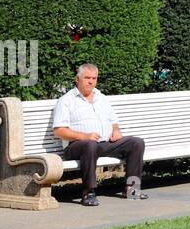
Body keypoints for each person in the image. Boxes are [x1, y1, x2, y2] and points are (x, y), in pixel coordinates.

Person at [50, 63, 148, 206]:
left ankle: (132, 189)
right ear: (77, 79)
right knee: (90, 145)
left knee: (136, 143)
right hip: (77, 146)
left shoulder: (101, 97)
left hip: (104, 143)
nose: (91, 81)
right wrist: (85, 136)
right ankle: (88, 192)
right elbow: (59, 131)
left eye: (94, 78)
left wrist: (115, 130)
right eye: (87, 78)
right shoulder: (67, 100)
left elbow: (114, 121)